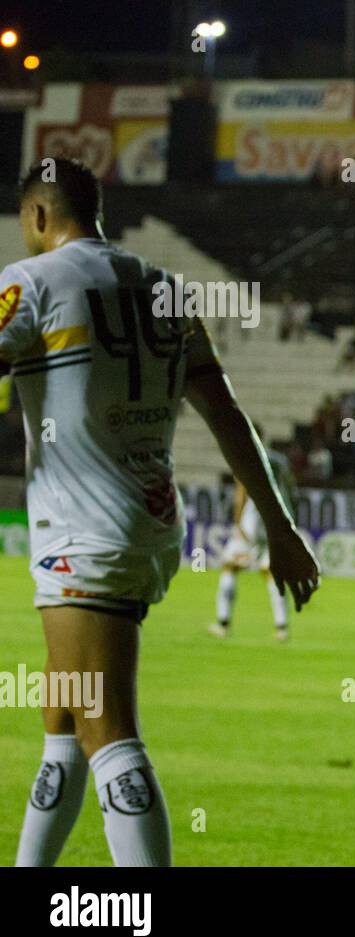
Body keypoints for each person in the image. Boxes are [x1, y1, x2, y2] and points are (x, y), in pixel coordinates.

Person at [4, 158, 320, 867]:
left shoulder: (30, 283)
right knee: (63, 727)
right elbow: (226, 413)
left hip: (84, 535)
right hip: (145, 525)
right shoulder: (166, 288)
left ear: (38, 217)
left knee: (107, 732)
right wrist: (279, 524)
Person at [208, 433, 299, 642]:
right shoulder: (280, 460)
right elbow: (292, 489)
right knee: (271, 572)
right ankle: (282, 628)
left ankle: (223, 624)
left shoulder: (245, 457)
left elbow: (242, 493)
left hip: (254, 522)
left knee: (230, 566)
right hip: (278, 520)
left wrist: (239, 523)